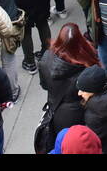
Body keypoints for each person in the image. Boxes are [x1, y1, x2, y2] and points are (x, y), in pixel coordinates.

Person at [37, 23, 100, 152]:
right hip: (81, 112)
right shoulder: (86, 64)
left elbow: (44, 85)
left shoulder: (45, 59)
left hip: (57, 110)